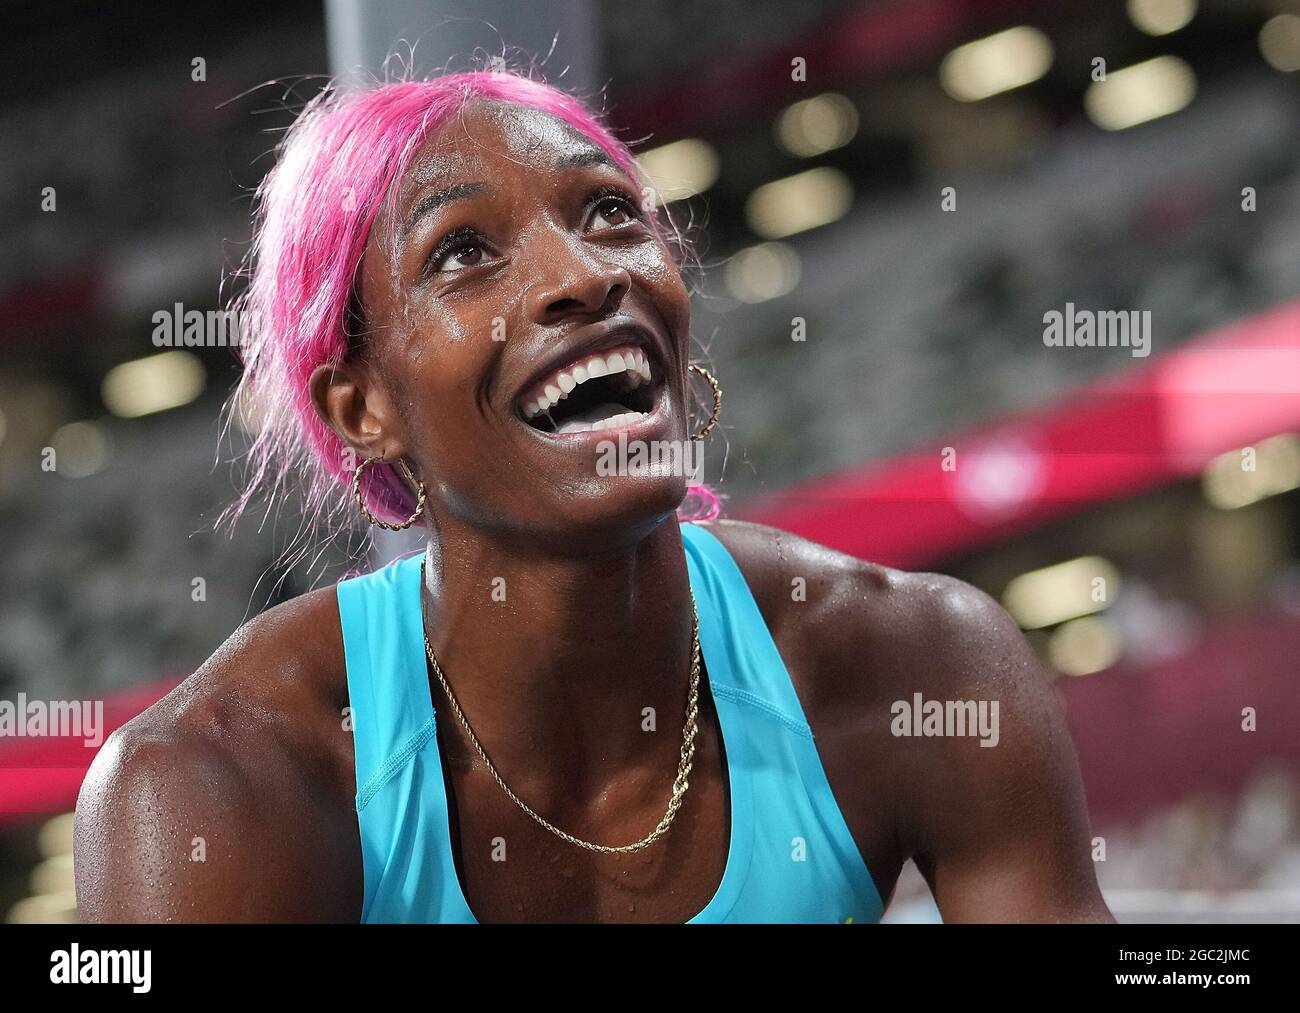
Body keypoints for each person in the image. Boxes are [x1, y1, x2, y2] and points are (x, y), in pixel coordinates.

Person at [73, 69, 1112, 923]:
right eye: (463, 251)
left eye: (610, 212)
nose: (581, 274)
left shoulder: (914, 661)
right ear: (361, 407)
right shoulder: (215, 785)